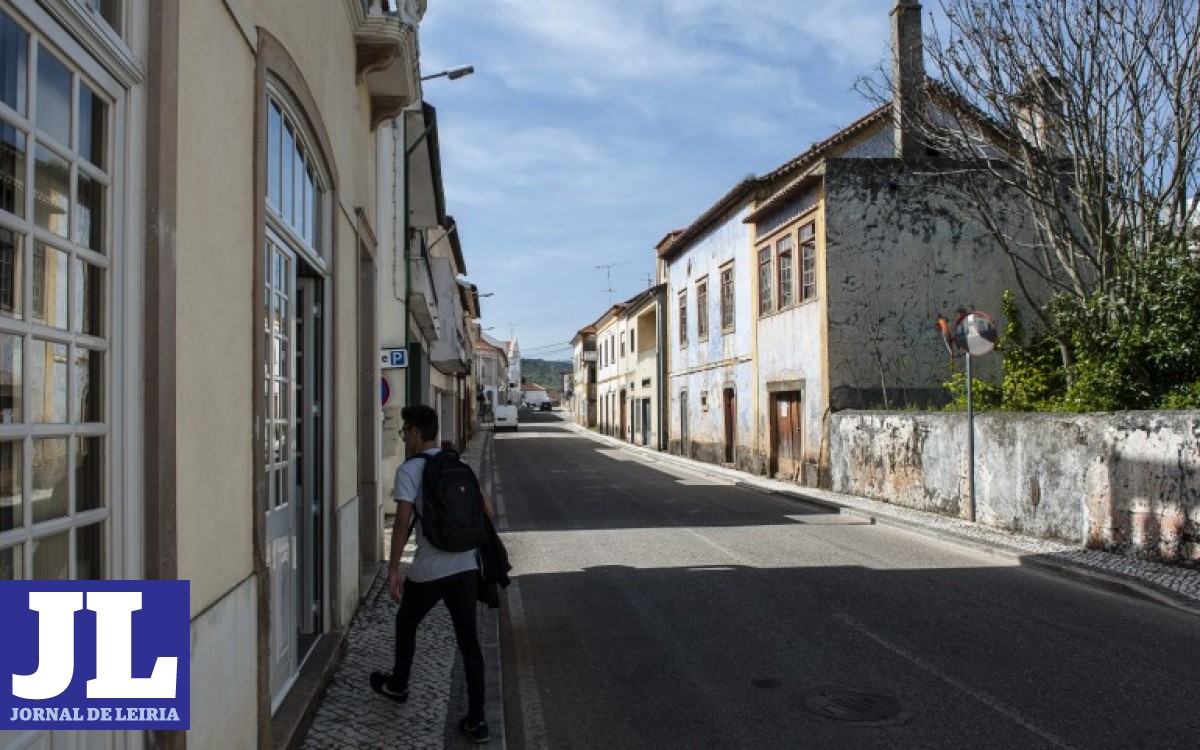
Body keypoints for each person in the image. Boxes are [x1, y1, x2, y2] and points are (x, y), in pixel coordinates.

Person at [370, 403, 494, 744]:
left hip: (429, 570)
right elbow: (487, 510)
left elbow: (401, 525)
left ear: (414, 432)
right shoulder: (458, 464)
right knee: (469, 642)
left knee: (406, 623)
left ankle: (398, 685)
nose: (404, 436)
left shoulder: (410, 470)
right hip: (466, 567)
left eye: (405, 430)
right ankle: (478, 720)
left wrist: (394, 568)